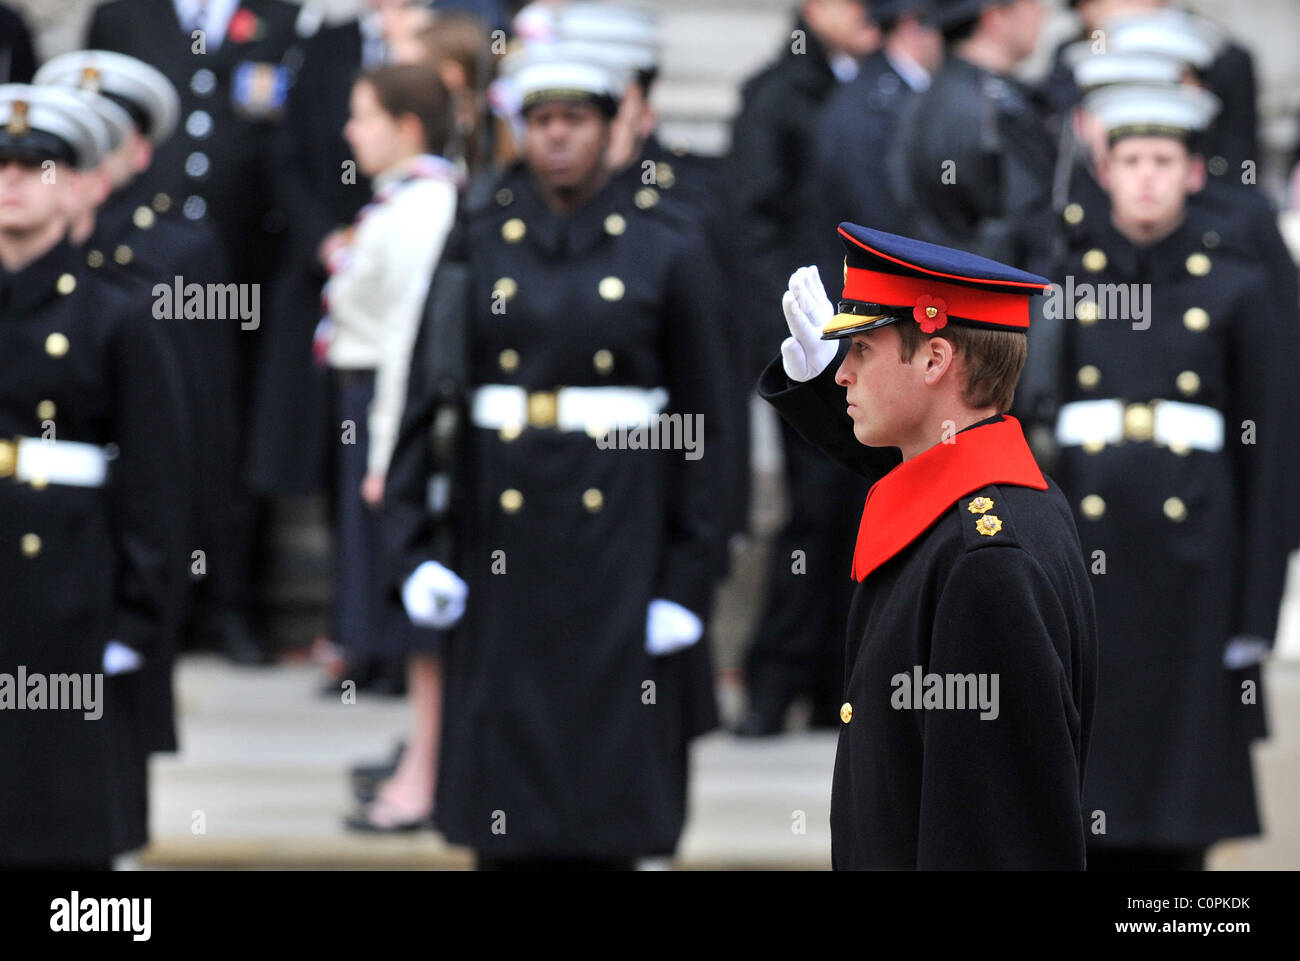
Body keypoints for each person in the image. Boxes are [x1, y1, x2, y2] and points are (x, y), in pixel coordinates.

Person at [387, 47, 727, 867]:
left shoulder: (665, 244)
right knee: (509, 747)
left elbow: (707, 419)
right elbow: (431, 394)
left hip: (624, 520)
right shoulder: (480, 238)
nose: (558, 139)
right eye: (542, 122)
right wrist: (418, 544)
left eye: (576, 121)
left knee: (616, 754)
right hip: (505, 516)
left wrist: (691, 576)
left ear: (613, 131)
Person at [758, 224, 1097, 869]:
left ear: (937, 360)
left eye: (858, 349)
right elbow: (906, 475)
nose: (842, 374)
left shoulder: (984, 565)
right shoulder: (989, 503)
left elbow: (994, 841)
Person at [1039, 82, 1295, 870]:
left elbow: (1274, 456)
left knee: (1180, 804)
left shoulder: (1236, 288)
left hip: (1197, 569)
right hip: (1088, 556)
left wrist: (1255, 611)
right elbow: (1029, 427)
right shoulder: (1064, 284)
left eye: (1164, 160)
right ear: (1104, 168)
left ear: (1191, 173)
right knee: (1079, 795)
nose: (1146, 176)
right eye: (1131, 159)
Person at [86, 0, 310, 664]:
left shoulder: (280, 15)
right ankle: (161, 599)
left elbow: (295, 138)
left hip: (249, 267)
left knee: (230, 431)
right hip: (133, 262)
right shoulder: (125, 16)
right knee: (149, 426)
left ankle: (233, 601)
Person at [0, 83, 187, 868]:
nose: (12, 181)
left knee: (68, 808)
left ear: (79, 185)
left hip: (71, 583)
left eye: (37, 165)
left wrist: (138, 618)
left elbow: (157, 482)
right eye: (2, 165)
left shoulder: (115, 314)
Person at [728, 0, 880, 736]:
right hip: (807, 338)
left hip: (861, 333)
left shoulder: (865, 84)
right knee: (814, 508)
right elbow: (751, 225)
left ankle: (830, 683)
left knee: (853, 506)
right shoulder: (780, 93)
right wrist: (791, 341)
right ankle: (773, 680)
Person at [316, 63, 459, 833]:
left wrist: (384, 460)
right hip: (369, 406)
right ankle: (425, 762)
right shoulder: (405, 201)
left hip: (387, 411)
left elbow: (411, 340)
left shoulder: (424, 206)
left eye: (363, 116)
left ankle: (428, 773)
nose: (350, 131)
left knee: (422, 617)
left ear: (407, 128)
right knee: (414, 620)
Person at [889, 0, 1052, 265]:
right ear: (994, 18)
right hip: (999, 289)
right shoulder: (998, 110)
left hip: (936, 286)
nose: (1041, 13)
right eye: (1031, 4)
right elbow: (1034, 227)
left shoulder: (923, 99)